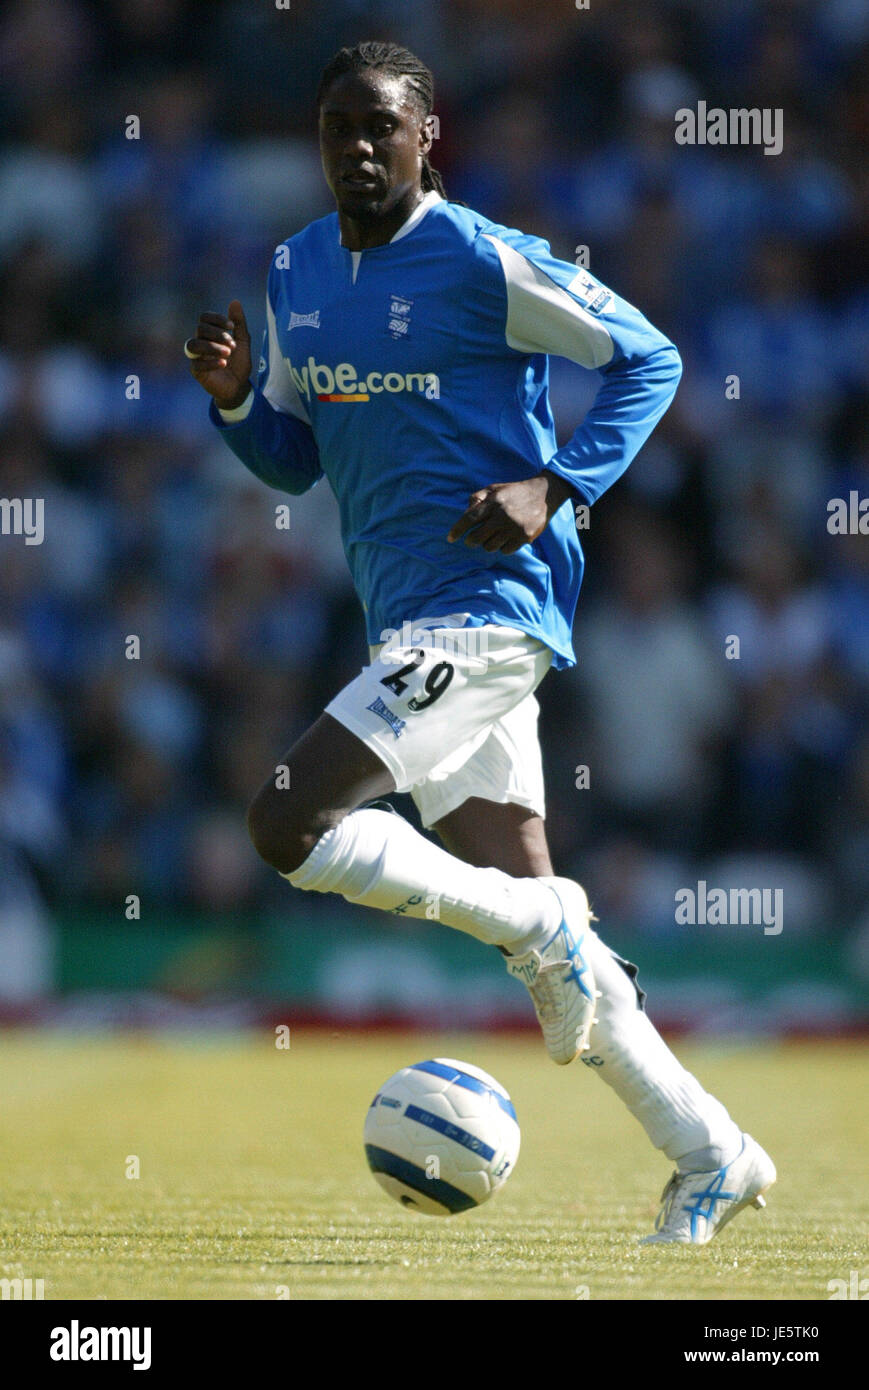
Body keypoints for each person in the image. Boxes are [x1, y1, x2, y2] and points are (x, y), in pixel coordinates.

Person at [186, 40, 775, 1243]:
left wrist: (553, 486)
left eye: (379, 125)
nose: (355, 146)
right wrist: (241, 400)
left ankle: (538, 922)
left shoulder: (480, 260)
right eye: (334, 126)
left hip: (492, 614)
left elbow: (648, 358)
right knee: (541, 931)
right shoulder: (295, 271)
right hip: (405, 623)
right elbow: (304, 465)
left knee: (285, 819)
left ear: (424, 136)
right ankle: (712, 1154)